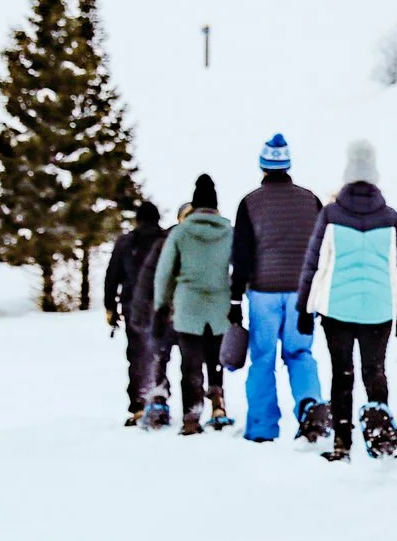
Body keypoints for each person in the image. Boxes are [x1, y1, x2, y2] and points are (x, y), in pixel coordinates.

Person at [298, 139, 397, 462]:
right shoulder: (390, 216)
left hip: (338, 311)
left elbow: (315, 263)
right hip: (378, 310)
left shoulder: (331, 214)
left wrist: (305, 305)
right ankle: (381, 438)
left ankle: (342, 442)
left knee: (341, 374)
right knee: (375, 372)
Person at [229, 135, 327, 444]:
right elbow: (323, 250)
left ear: (263, 166)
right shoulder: (311, 200)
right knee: (300, 354)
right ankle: (310, 407)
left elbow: (241, 255)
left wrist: (234, 298)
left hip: (263, 292)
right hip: (302, 295)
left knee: (262, 358)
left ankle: (262, 427)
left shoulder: (250, 202)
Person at [153, 174, 236, 434]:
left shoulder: (180, 232)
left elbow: (165, 272)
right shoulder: (230, 232)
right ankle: (218, 405)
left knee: (190, 363)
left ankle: (191, 417)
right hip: (220, 306)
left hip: (188, 307)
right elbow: (241, 268)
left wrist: (161, 306)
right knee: (215, 360)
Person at [101, 200, 170, 426]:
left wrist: (110, 306)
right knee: (160, 355)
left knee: (137, 355)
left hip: (133, 306)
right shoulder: (166, 241)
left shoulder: (126, 243)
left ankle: (139, 403)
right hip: (163, 305)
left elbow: (112, 277)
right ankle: (159, 398)